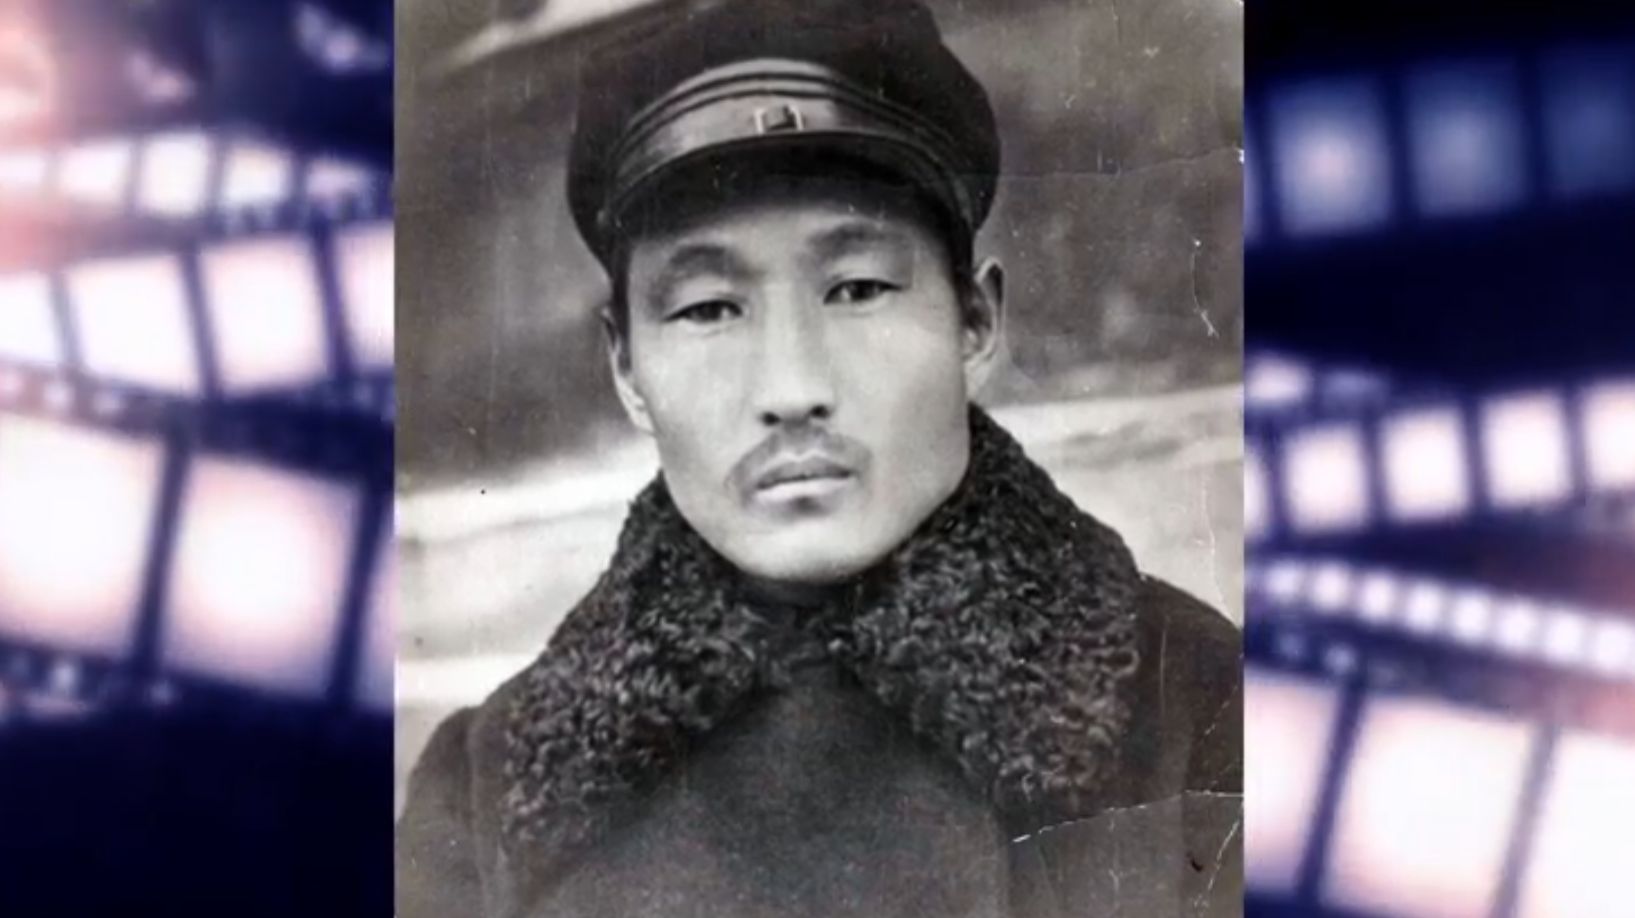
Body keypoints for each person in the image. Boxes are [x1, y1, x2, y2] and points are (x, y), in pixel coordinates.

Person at [396, 1, 1242, 915]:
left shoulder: (1196, 707)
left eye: (858, 288)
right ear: (627, 370)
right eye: (708, 308)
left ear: (974, 322)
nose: (792, 386)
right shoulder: (486, 794)